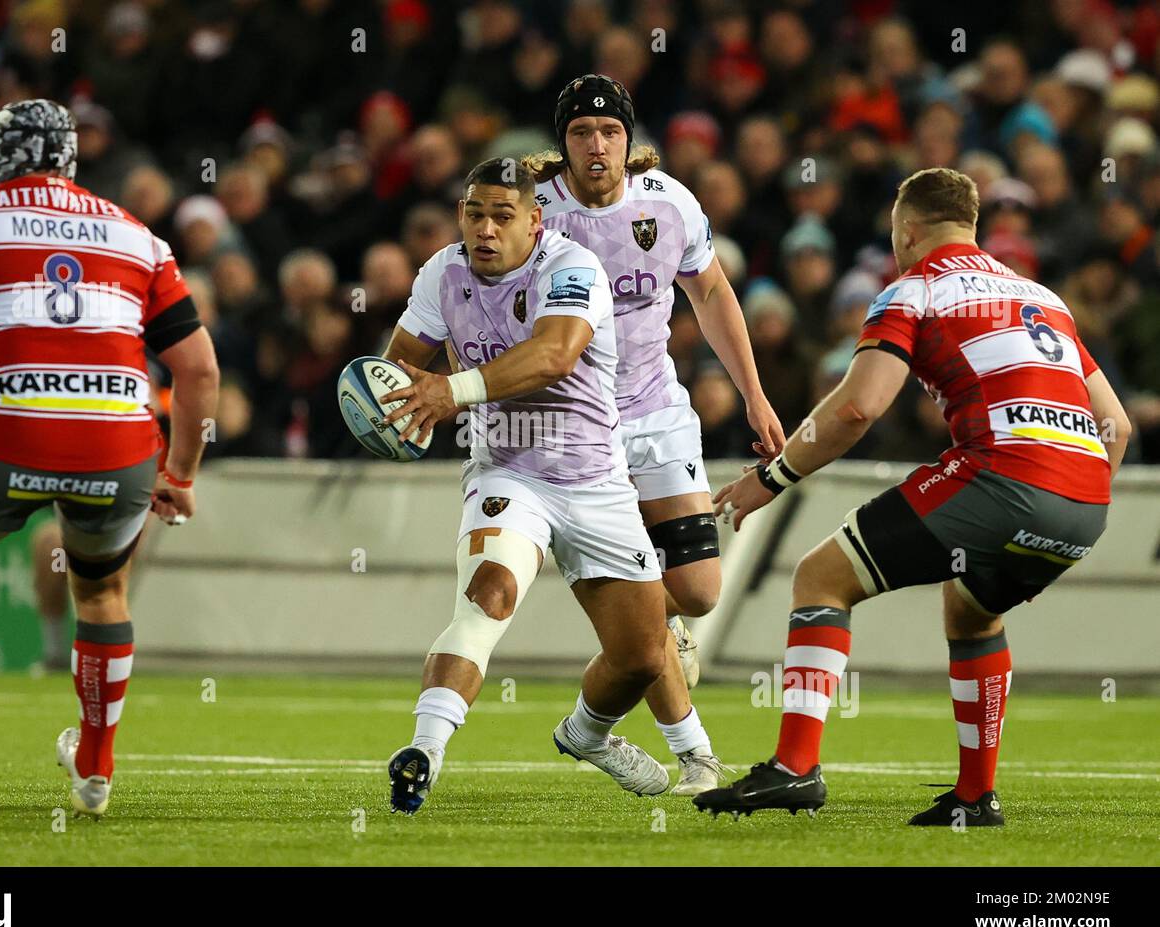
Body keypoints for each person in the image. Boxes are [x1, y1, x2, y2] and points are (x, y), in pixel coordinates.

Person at [695, 167, 1128, 826]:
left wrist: (768, 480)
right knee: (972, 613)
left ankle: (793, 769)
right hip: (1086, 499)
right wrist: (1067, 510)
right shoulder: (1044, 297)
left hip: (1000, 478)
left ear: (908, 230)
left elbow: (857, 409)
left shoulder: (915, 289)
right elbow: (1116, 426)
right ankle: (976, 796)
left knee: (821, 577)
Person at [0, 99, 219, 828]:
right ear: (71, 158)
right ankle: (94, 770)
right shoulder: (137, 236)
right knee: (102, 592)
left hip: (8, 431)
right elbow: (200, 369)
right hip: (120, 440)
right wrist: (179, 473)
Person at [379, 158, 670, 814]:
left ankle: (588, 735)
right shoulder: (443, 273)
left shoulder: (572, 268)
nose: (485, 229)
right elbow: (399, 366)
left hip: (597, 482)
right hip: (507, 476)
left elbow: (554, 355)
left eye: (502, 216)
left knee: (642, 658)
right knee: (488, 596)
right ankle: (424, 750)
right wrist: (389, 409)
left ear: (535, 222)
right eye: (474, 213)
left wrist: (448, 391)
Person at [526, 74, 785, 793]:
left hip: (656, 412)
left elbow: (710, 293)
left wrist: (755, 397)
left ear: (629, 141)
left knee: (697, 591)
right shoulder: (531, 215)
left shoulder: (669, 203)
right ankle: (697, 758)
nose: (597, 145)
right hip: (572, 432)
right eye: (581, 133)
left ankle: (625, 675)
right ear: (563, 144)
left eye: (609, 132)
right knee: (642, 616)